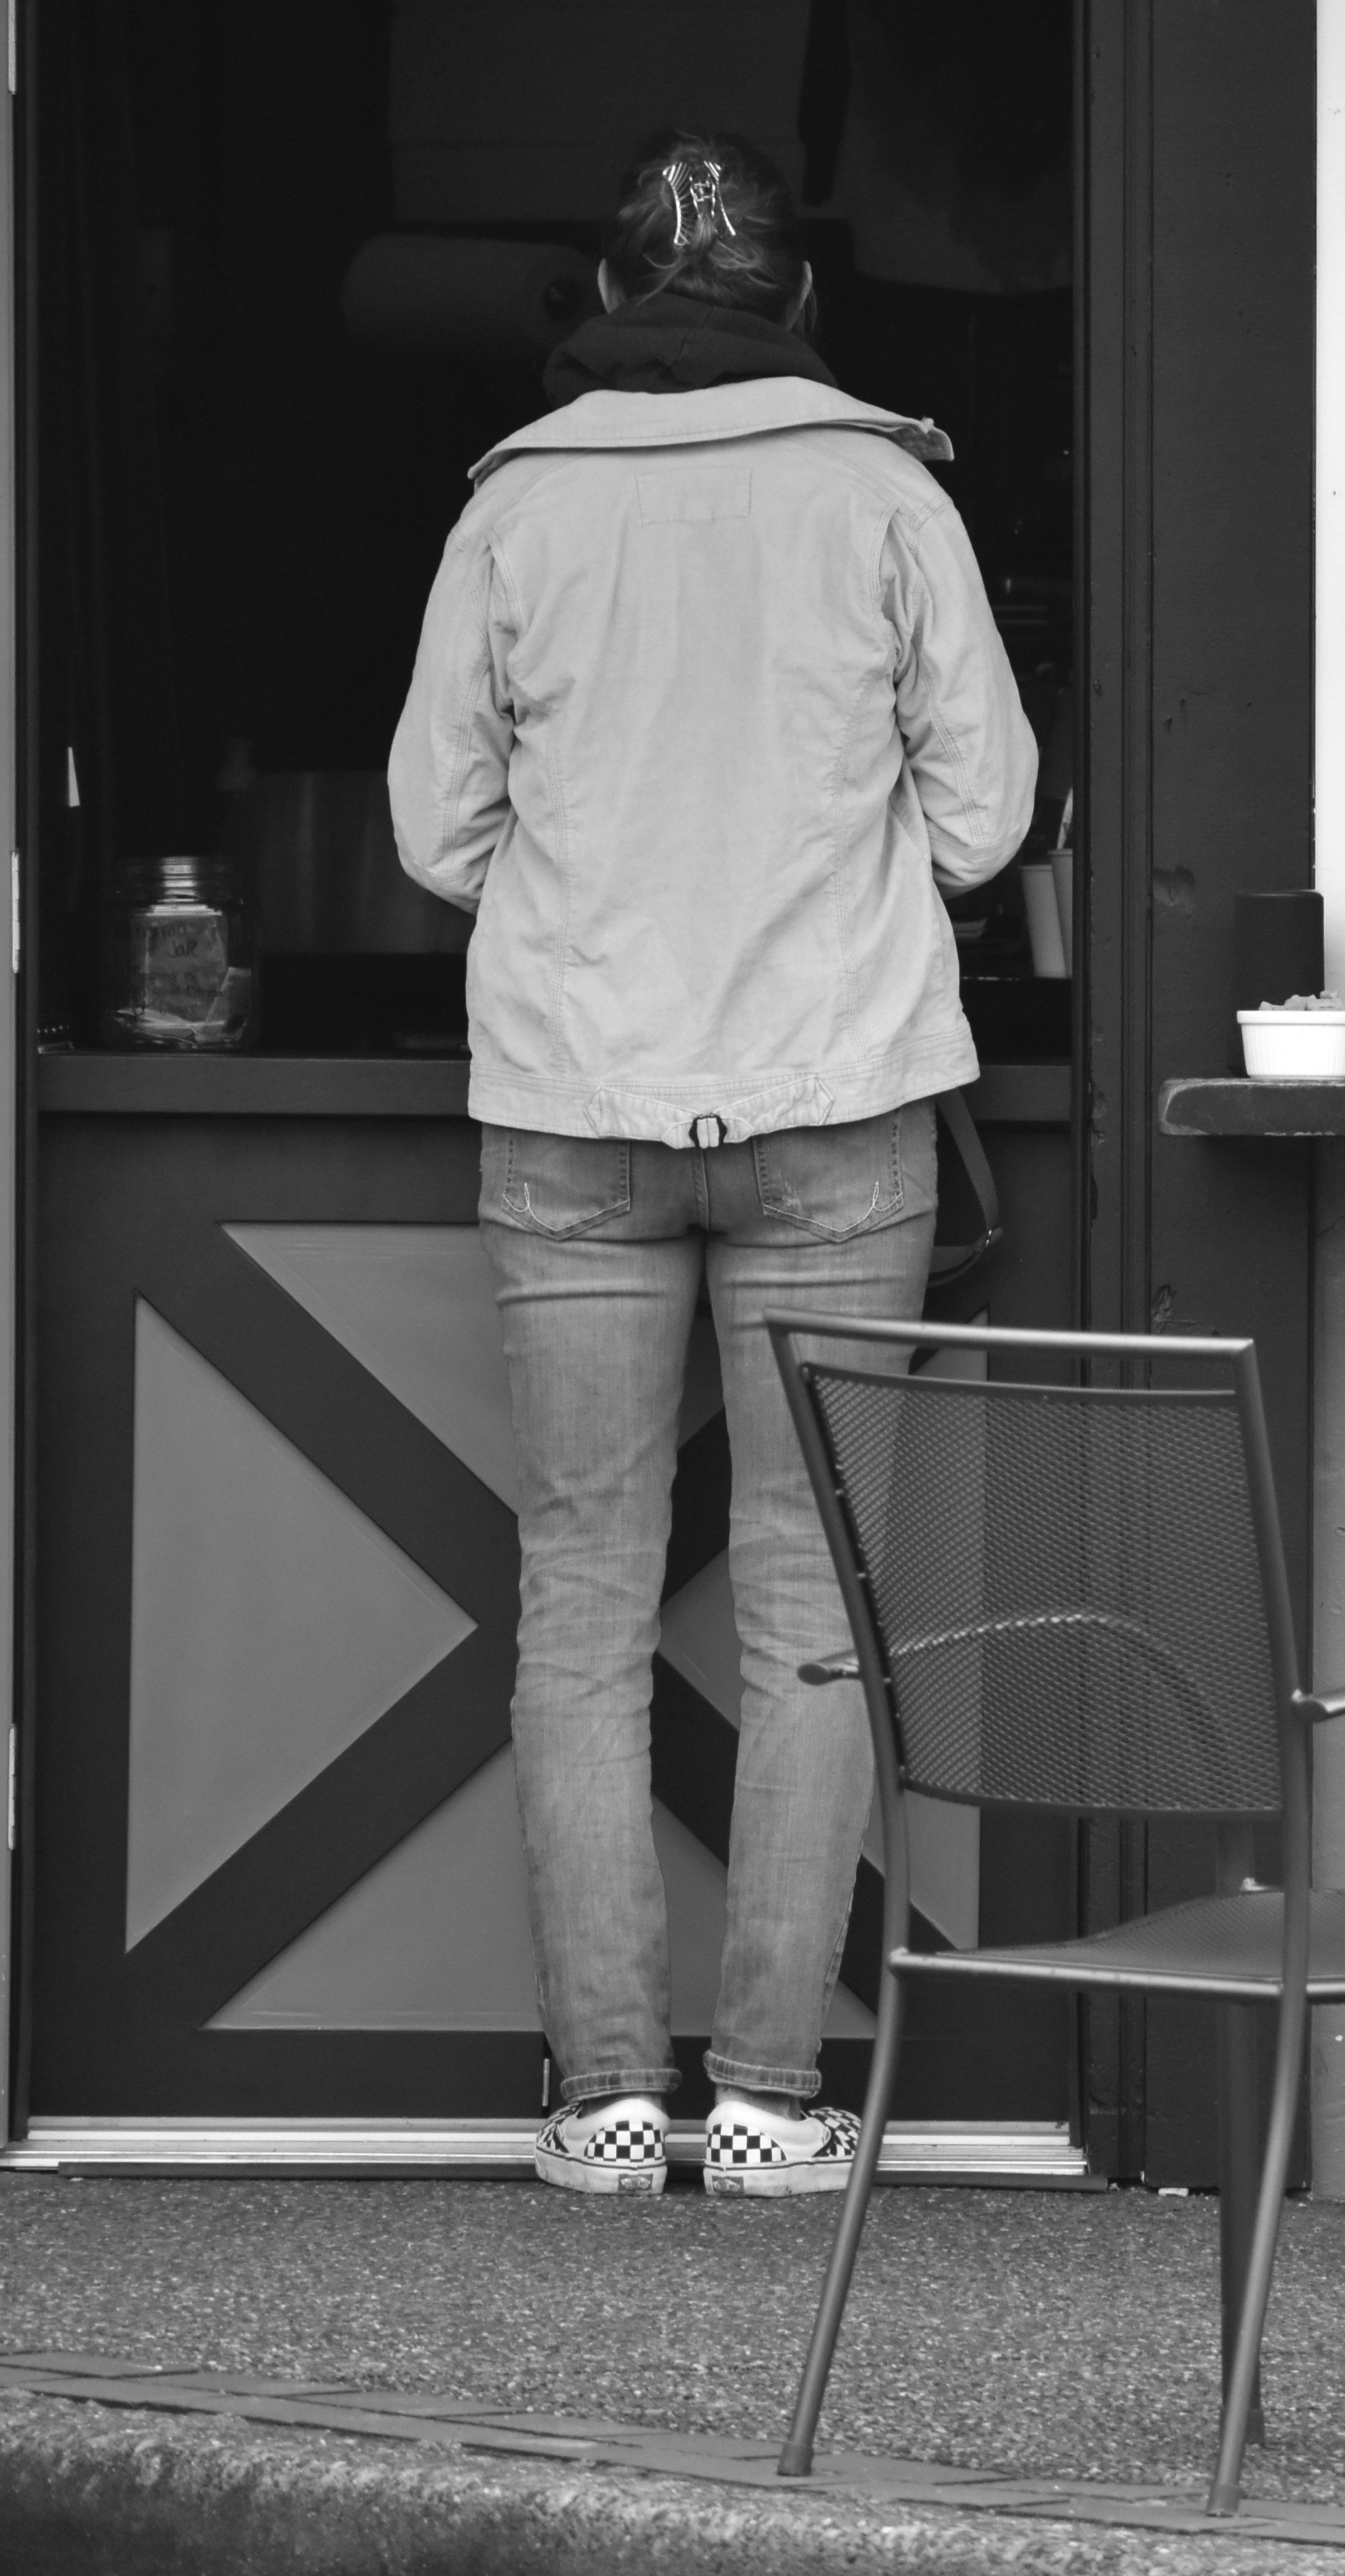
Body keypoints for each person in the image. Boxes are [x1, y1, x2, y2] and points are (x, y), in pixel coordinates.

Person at [389, 130, 1037, 2198]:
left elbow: (434, 832)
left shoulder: (515, 510)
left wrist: (589, 913)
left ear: (602, 301)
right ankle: (766, 2100)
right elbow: (988, 819)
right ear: (799, 306)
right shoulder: (885, 492)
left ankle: (598, 2100)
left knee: (578, 1600)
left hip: (575, 1105)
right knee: (815, 1609)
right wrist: (826, 889)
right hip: (837, 1106)